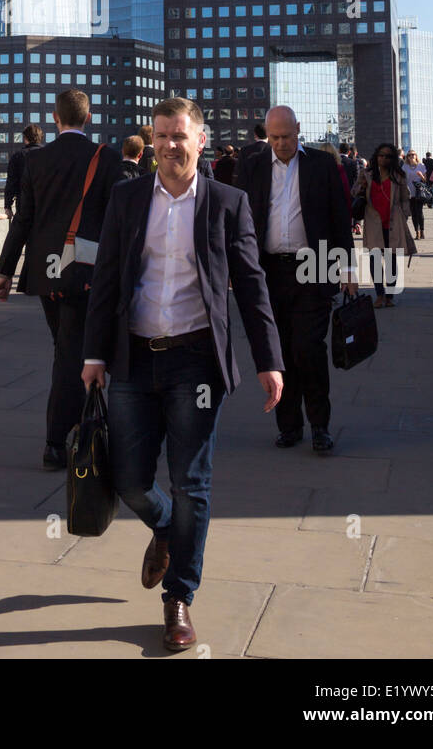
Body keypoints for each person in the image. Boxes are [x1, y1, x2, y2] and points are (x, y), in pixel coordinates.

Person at [82, 97, 284, 652]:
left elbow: (251, 283)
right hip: (131, 356)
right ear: (151, 141)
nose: (171, 145)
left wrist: (269, 360)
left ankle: (179, 598)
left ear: (201, 140)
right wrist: (93, 354)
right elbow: (105, 281)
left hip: (195, 361)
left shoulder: (227, 202)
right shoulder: (126, 199)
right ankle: (167, 528)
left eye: (181, 136)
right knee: (128, 480)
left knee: (192, 482)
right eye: (162, 136)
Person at [0, 88, 126, 470]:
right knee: (73, 351)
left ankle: (70, 428)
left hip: (45, 270)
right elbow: (119, 218)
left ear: (55, 118)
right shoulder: (106, 158)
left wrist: (5, 270)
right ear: (89, 118)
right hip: (88, 269)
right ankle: (58, 440)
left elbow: (24, 219)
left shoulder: (36, 160)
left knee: (65, 347)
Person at [236, 105, 355, 453]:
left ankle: (320, 425)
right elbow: (240, 219)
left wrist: (347, 268)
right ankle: (289, 426)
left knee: (308, 348)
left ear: (298, 130)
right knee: (279, 351)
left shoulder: (321, 165)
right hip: (269, 270)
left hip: (314, 266)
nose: (280, 143)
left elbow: (339, 218)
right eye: (273, 137)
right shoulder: (253, 164)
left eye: (286, 136)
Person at [355, 144, 417, 308]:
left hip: (393, 221)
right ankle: (379, 294)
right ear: (376, 156)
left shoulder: (398, 175)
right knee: (375, 260)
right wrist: (360, 186)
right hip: (373, 221)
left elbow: (405, 197)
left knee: (391, 261)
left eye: (388, 156)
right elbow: (354, 193)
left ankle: (389, 296)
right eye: (381, 155)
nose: (383, 159)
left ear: (393, 159)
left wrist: (405, 215)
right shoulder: (367, 174)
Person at [4, 124, 44, 220]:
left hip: (24, 204)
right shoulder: (50, 154)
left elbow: (11, 183)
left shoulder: (18, 156)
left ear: (25, 138)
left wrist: (8, 205)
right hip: (45, 204)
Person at [402, 150, 427, 240]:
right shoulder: (405, 166)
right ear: (407, 157)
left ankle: (422, 230)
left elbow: (425, 181)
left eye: (413, 154)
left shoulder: (421, 166)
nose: (411, 156)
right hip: (409, 192)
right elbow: (402, 179)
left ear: (416, 156)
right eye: (409, 155)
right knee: (413, 213)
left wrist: (421, 176)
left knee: (419, 212)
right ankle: (417, 232)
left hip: (419, 192)